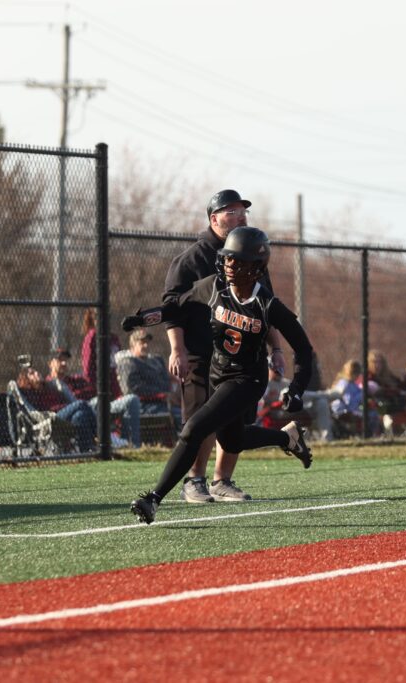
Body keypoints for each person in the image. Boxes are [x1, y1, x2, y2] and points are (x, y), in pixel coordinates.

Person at [127, 226, 314, 524]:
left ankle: (153, 499)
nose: (228, 265)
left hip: (247, 380)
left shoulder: (267, 304)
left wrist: (297, 388)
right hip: (218, 373)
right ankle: (287, 438)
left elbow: (304, 349)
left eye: (236, 261)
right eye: (227, 258)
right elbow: (178, 305)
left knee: (194, 428)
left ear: (255, 267)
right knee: (233, 440)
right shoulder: (214, 286)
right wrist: (146, 318)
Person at [162, 189, 288, 504]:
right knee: (201, 420)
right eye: (232, 211)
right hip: (201, 353)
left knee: (237, 422)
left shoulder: (252, 255)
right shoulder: (191, 260)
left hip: (243, 358)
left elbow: (266, 308)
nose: (240, 216)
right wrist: (177, 349)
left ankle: (223, 481)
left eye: (243, 211)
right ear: (214, 218)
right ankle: (195, 481)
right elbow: (172, 310)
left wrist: (276, 349)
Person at [53, 344, 141, 448]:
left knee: (132, 400)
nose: (64, 363)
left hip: (96, 405)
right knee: (81, 413)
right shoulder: (49, 384)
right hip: (78, 411)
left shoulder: (76, 380)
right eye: (60, 360)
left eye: (66, 360)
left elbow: (93, 391)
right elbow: (56, 407)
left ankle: (133, 445)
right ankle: (108, 439)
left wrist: (79, 394)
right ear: (50, 363)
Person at [79, 308, 143, 448]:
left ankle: (129, 445)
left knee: (131, 401)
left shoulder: (113, 338)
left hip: (114, 395)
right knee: (116, 402)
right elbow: (88, 371)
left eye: (106, 317)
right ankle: (118, 445)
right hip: (97, 398)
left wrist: (117, 393)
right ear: (94, 320)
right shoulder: (92, 336)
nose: (104, 321)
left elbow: (116, 369)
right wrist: (99, 392)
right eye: (99, 318)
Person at [15, 358, 97, 450]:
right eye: (32, 373)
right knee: (81, 404)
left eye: (36, 371)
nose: (37, 373)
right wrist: (65, 407)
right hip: (52, 417)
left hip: (64, 413)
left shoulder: (49, 387)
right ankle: (101, 435)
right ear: (26, 380)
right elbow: (46, 409)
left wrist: (66, 407)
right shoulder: (32, 393)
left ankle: (86, 450)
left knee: (79, 415)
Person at [115, 330, 182, 426]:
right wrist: (160, 394)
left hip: (164, 403)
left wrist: (169, 394)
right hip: (143, 404)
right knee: (180, 417)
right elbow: (131, 389)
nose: (146, 345)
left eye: (147, 342)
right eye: (142, 343)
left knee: (187, 414)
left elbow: (166, 381)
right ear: (133, 346)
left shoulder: (156, 360)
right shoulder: (128, 362)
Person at [260, 367, 333, 441]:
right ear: (268, 369)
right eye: (275, 369)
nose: (278, 371)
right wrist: (276, 405)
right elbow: (261, 411)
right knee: (287, 391)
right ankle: (325, 395)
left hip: (296, 409)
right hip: (278, 413)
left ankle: (327, 438)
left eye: (280, 368)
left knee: (322, 402)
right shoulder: (265, 384)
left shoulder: (286, 382)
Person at [329, 359, 380, 437]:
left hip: (351, 409)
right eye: (356, 373)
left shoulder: (352, 384)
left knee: (373, 413)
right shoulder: (344, 384)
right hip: (343, 411)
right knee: (371, 415)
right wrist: (362, 395)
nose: (358, 375)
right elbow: (349, 402)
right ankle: (368, 434)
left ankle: (371, 434)